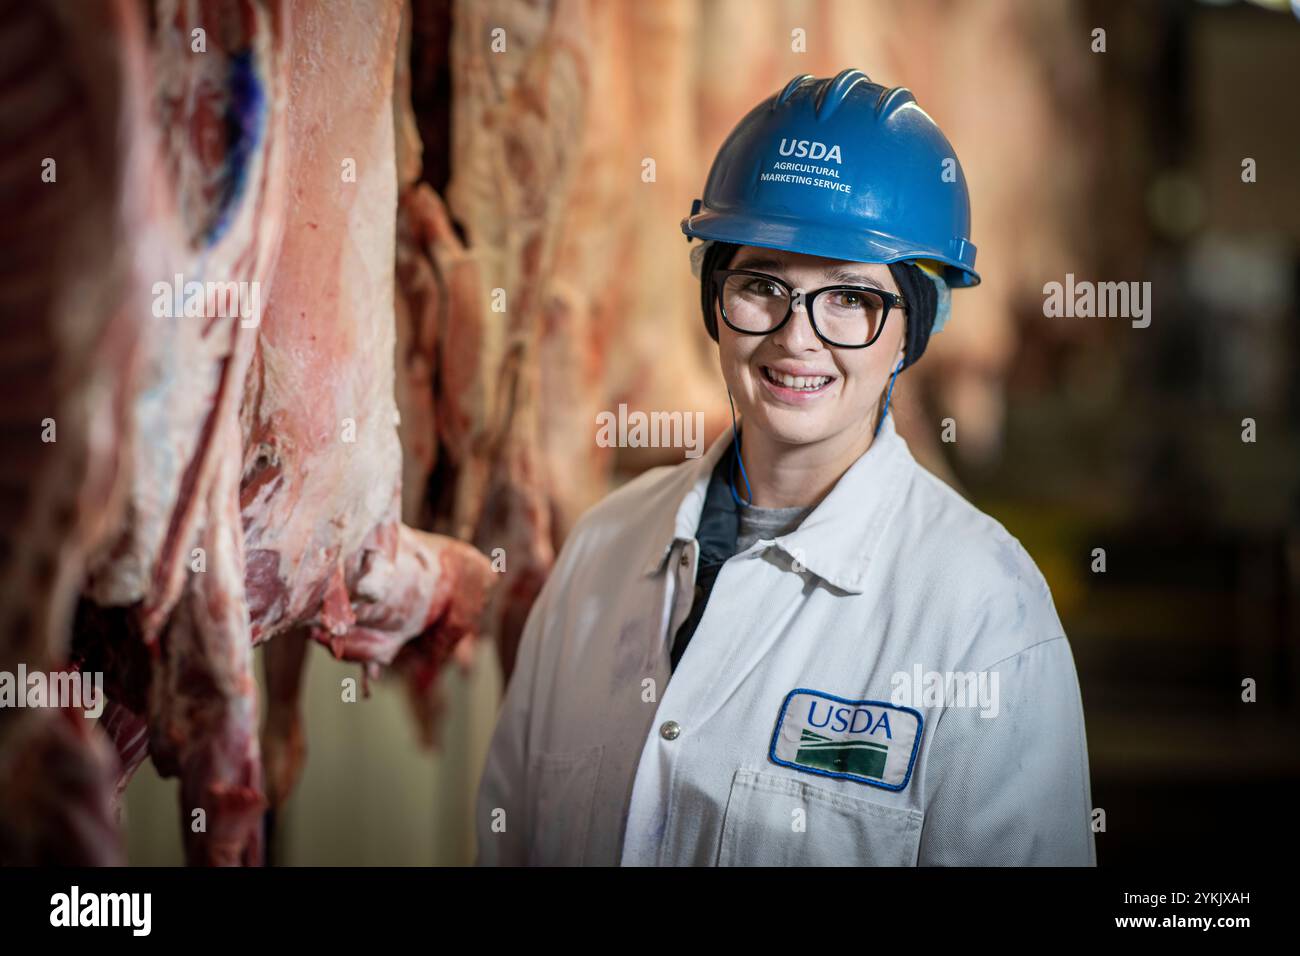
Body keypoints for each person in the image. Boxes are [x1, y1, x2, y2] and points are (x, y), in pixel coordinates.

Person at [475, 69, 1096, 866]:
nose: (796, 338)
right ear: (714, 303)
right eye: (763, 285)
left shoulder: (983, 613)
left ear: (912, 331)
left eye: (850, 299)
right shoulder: (601, 549)